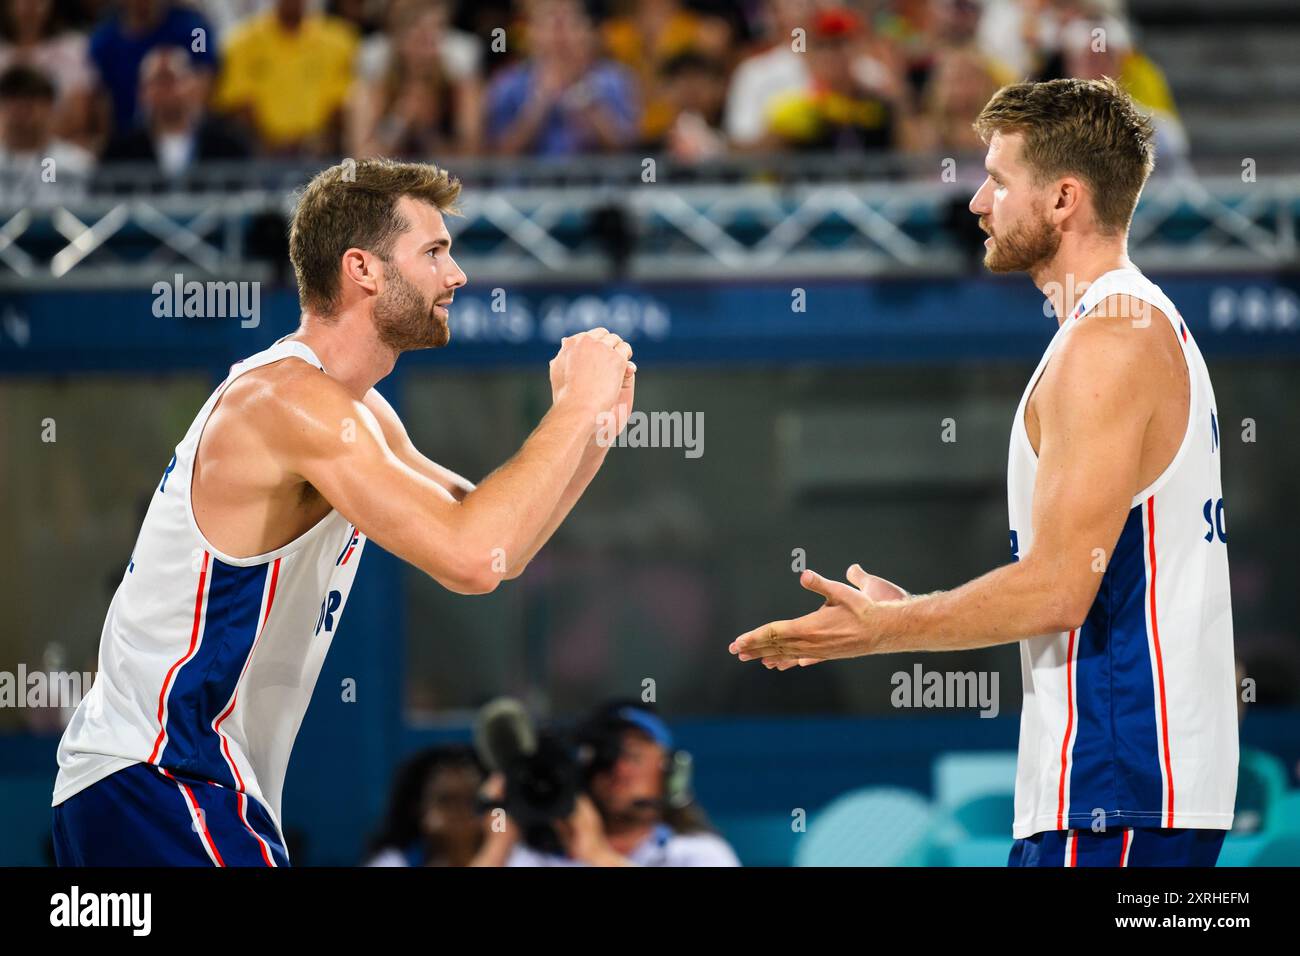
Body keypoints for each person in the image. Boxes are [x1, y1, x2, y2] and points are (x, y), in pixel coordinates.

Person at [50, 158, 637, 866]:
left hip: (173, 780)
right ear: (363, 268)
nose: (457, 277)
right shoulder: (288, 402)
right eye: (435, 252)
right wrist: (573, 407)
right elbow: (471, 556)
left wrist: (593, 428)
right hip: (159, 772)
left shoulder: (358, 413)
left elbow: (497, 546)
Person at [730, 77, 1237, 867]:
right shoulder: (1132, 325)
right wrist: (911, 613)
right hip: (1128, 782)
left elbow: (1062, 589)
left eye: (999, 180)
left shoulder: (1109, 342)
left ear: (1065, 197)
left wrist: (886, 630)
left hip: (1118, 784)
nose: (976, 203)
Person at [473, 701, 741, 867]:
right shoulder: (540, 858)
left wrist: (598, 856)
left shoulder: (695, 855)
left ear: (671, 772)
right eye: (605, 756)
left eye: (634, 756)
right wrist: (500, 842)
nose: (619, 769)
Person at [100, 45, 250, 177]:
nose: (166, 89)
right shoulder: (120, 152)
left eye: (173, 79)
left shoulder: (227, 147)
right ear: (142, 92)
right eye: (158, 81)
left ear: (192, 88)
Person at [365, 745, 486, 867]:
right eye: (447, 800)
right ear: (417, 809)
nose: (461, 811)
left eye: (471, 800)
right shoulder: (391, 863)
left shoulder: (503, 856)